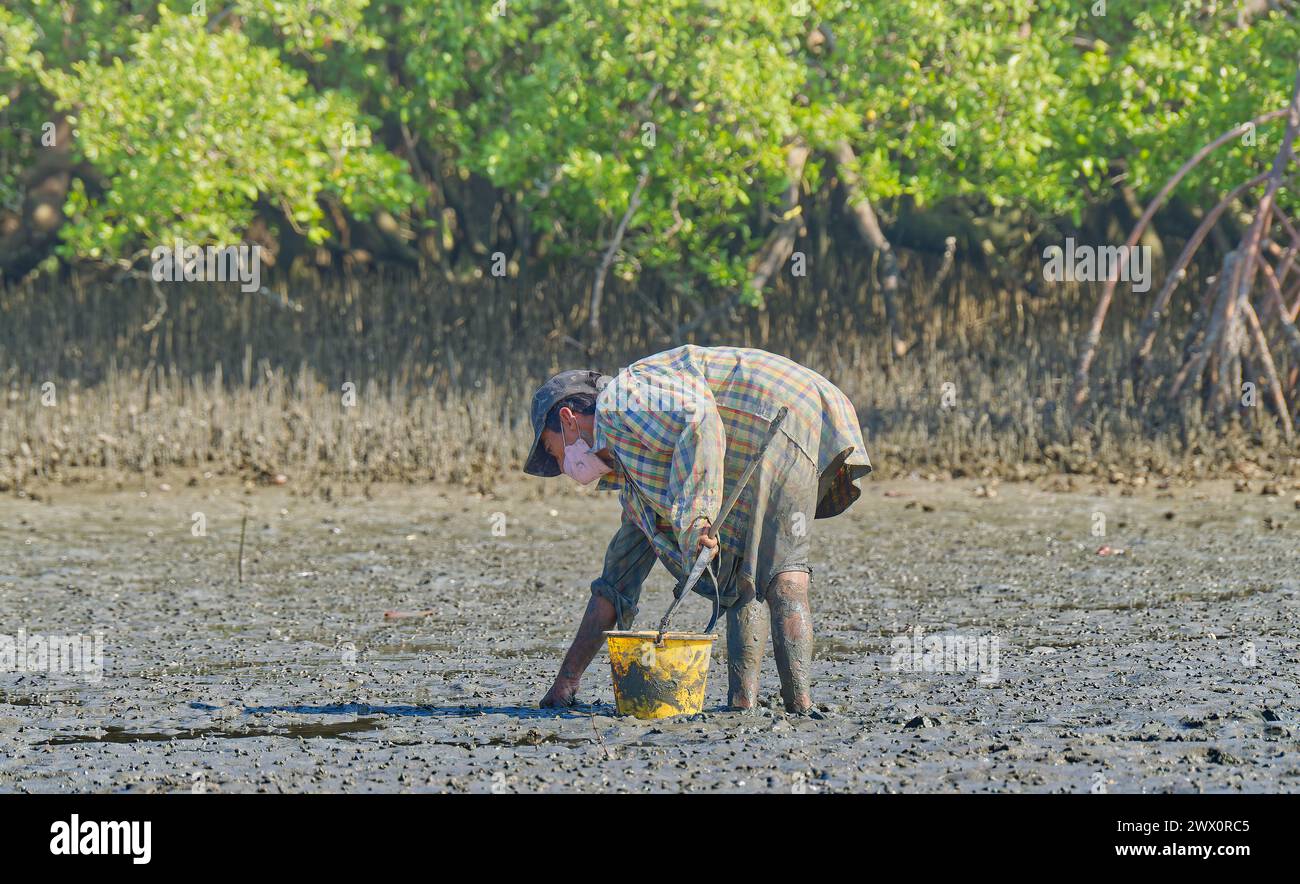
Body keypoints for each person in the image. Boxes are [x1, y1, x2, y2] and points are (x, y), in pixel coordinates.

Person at [522, 345, 870, 713]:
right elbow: (614, 586)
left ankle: (800, 708)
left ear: (568, 418)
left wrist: (697, 517)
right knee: (741, 581)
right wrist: (566, 684)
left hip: (778, 411)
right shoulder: (636, 481)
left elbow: (699, 415)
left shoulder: (620, 401)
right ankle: (742, 706)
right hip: (771, 421)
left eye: (554, 450)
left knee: (784, 575)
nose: (562, 466)